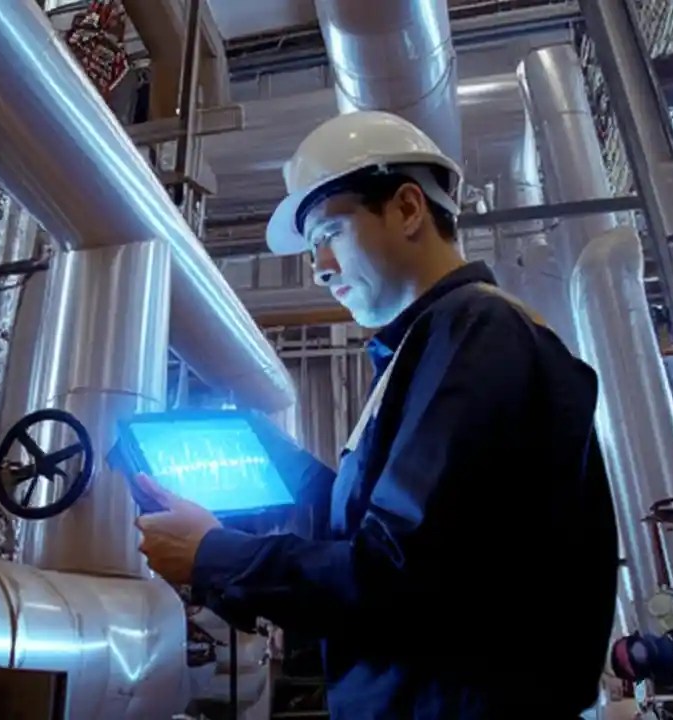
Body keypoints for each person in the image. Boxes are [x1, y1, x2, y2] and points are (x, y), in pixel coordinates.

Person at [136, 110, 620, 718]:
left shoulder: (479, 332)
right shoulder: (430, 346)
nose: (319, 267)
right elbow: (402, 537)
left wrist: (214, 553)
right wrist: (283, 464)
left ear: (409, 208)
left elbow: (400, 577)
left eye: (329, 236)